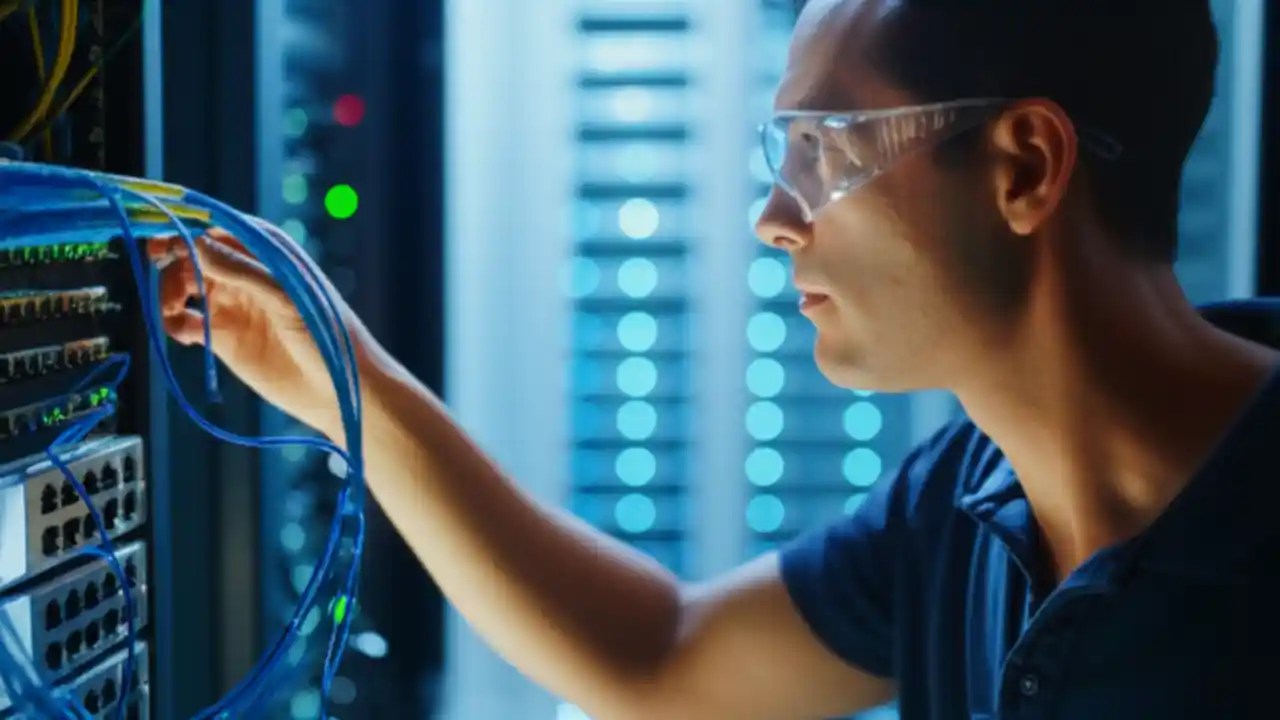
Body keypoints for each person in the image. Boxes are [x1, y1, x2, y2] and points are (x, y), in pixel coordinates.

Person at [149, 0, 1280, 717]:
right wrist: (349, 382)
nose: (773, 218)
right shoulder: (963, 502)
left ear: (1024, 166)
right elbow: (662, 659)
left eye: (817, 151)